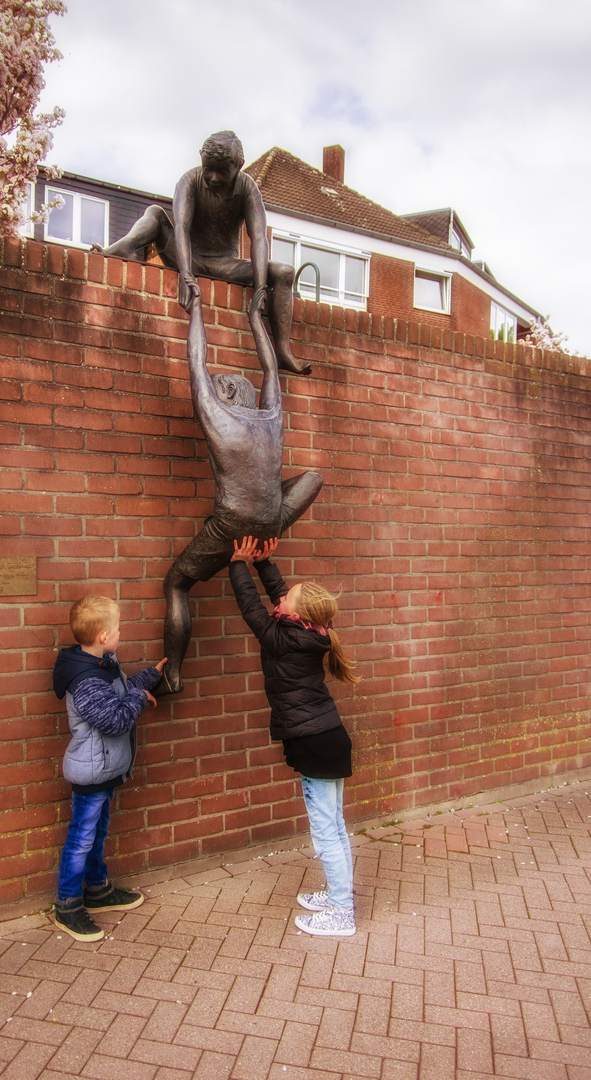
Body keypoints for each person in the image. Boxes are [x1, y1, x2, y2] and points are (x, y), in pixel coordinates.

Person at [158, 287, 322, 695]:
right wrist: (254, 317)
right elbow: (270, 370)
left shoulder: (218, 416)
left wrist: (196, 307)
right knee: (313, 477)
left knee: (176, 583)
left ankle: (174, 670)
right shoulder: (270, 416)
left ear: (227, 395)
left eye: (219, 386)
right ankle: (269, 523)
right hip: (271, 521)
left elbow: (197, 359)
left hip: (232, 523)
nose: (213, 388)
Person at [93, 130, 311, 375]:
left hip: (226, 265)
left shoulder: (248, 188)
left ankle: (281, 350)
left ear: (239, 166)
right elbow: (182, 228)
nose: (214, 178)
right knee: (155, 213)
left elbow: (259, 237)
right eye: (209, 169)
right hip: (188, 256)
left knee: (285, 272)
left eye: (222, 172)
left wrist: (260, 289)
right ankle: (121, 248)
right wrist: (186, 275)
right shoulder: (189, 181)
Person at [228, 536, 361, 937]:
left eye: (287, 598)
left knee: (325, 829)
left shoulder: (283, 638)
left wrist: (238, 563)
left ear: (295, 613)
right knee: (333, 824)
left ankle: (342, 911)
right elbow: (278, 596)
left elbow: (251, 608)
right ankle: (339, 894)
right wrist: (265, 564)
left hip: (315, 742)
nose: (280, 599)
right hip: (326, 737)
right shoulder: (310, 631)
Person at [52, 594, 166, 941]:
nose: (120, 633)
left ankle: (98, 891)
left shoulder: (103, 664)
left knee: (97, 833)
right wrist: (138, 698)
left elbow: (120, 692)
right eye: (117, 628)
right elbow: (114, 719)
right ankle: (68, 905)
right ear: (103, 636)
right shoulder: (86, 679)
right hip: (90, 773)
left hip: (103, 771)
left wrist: (148, 678)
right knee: (82, 838)